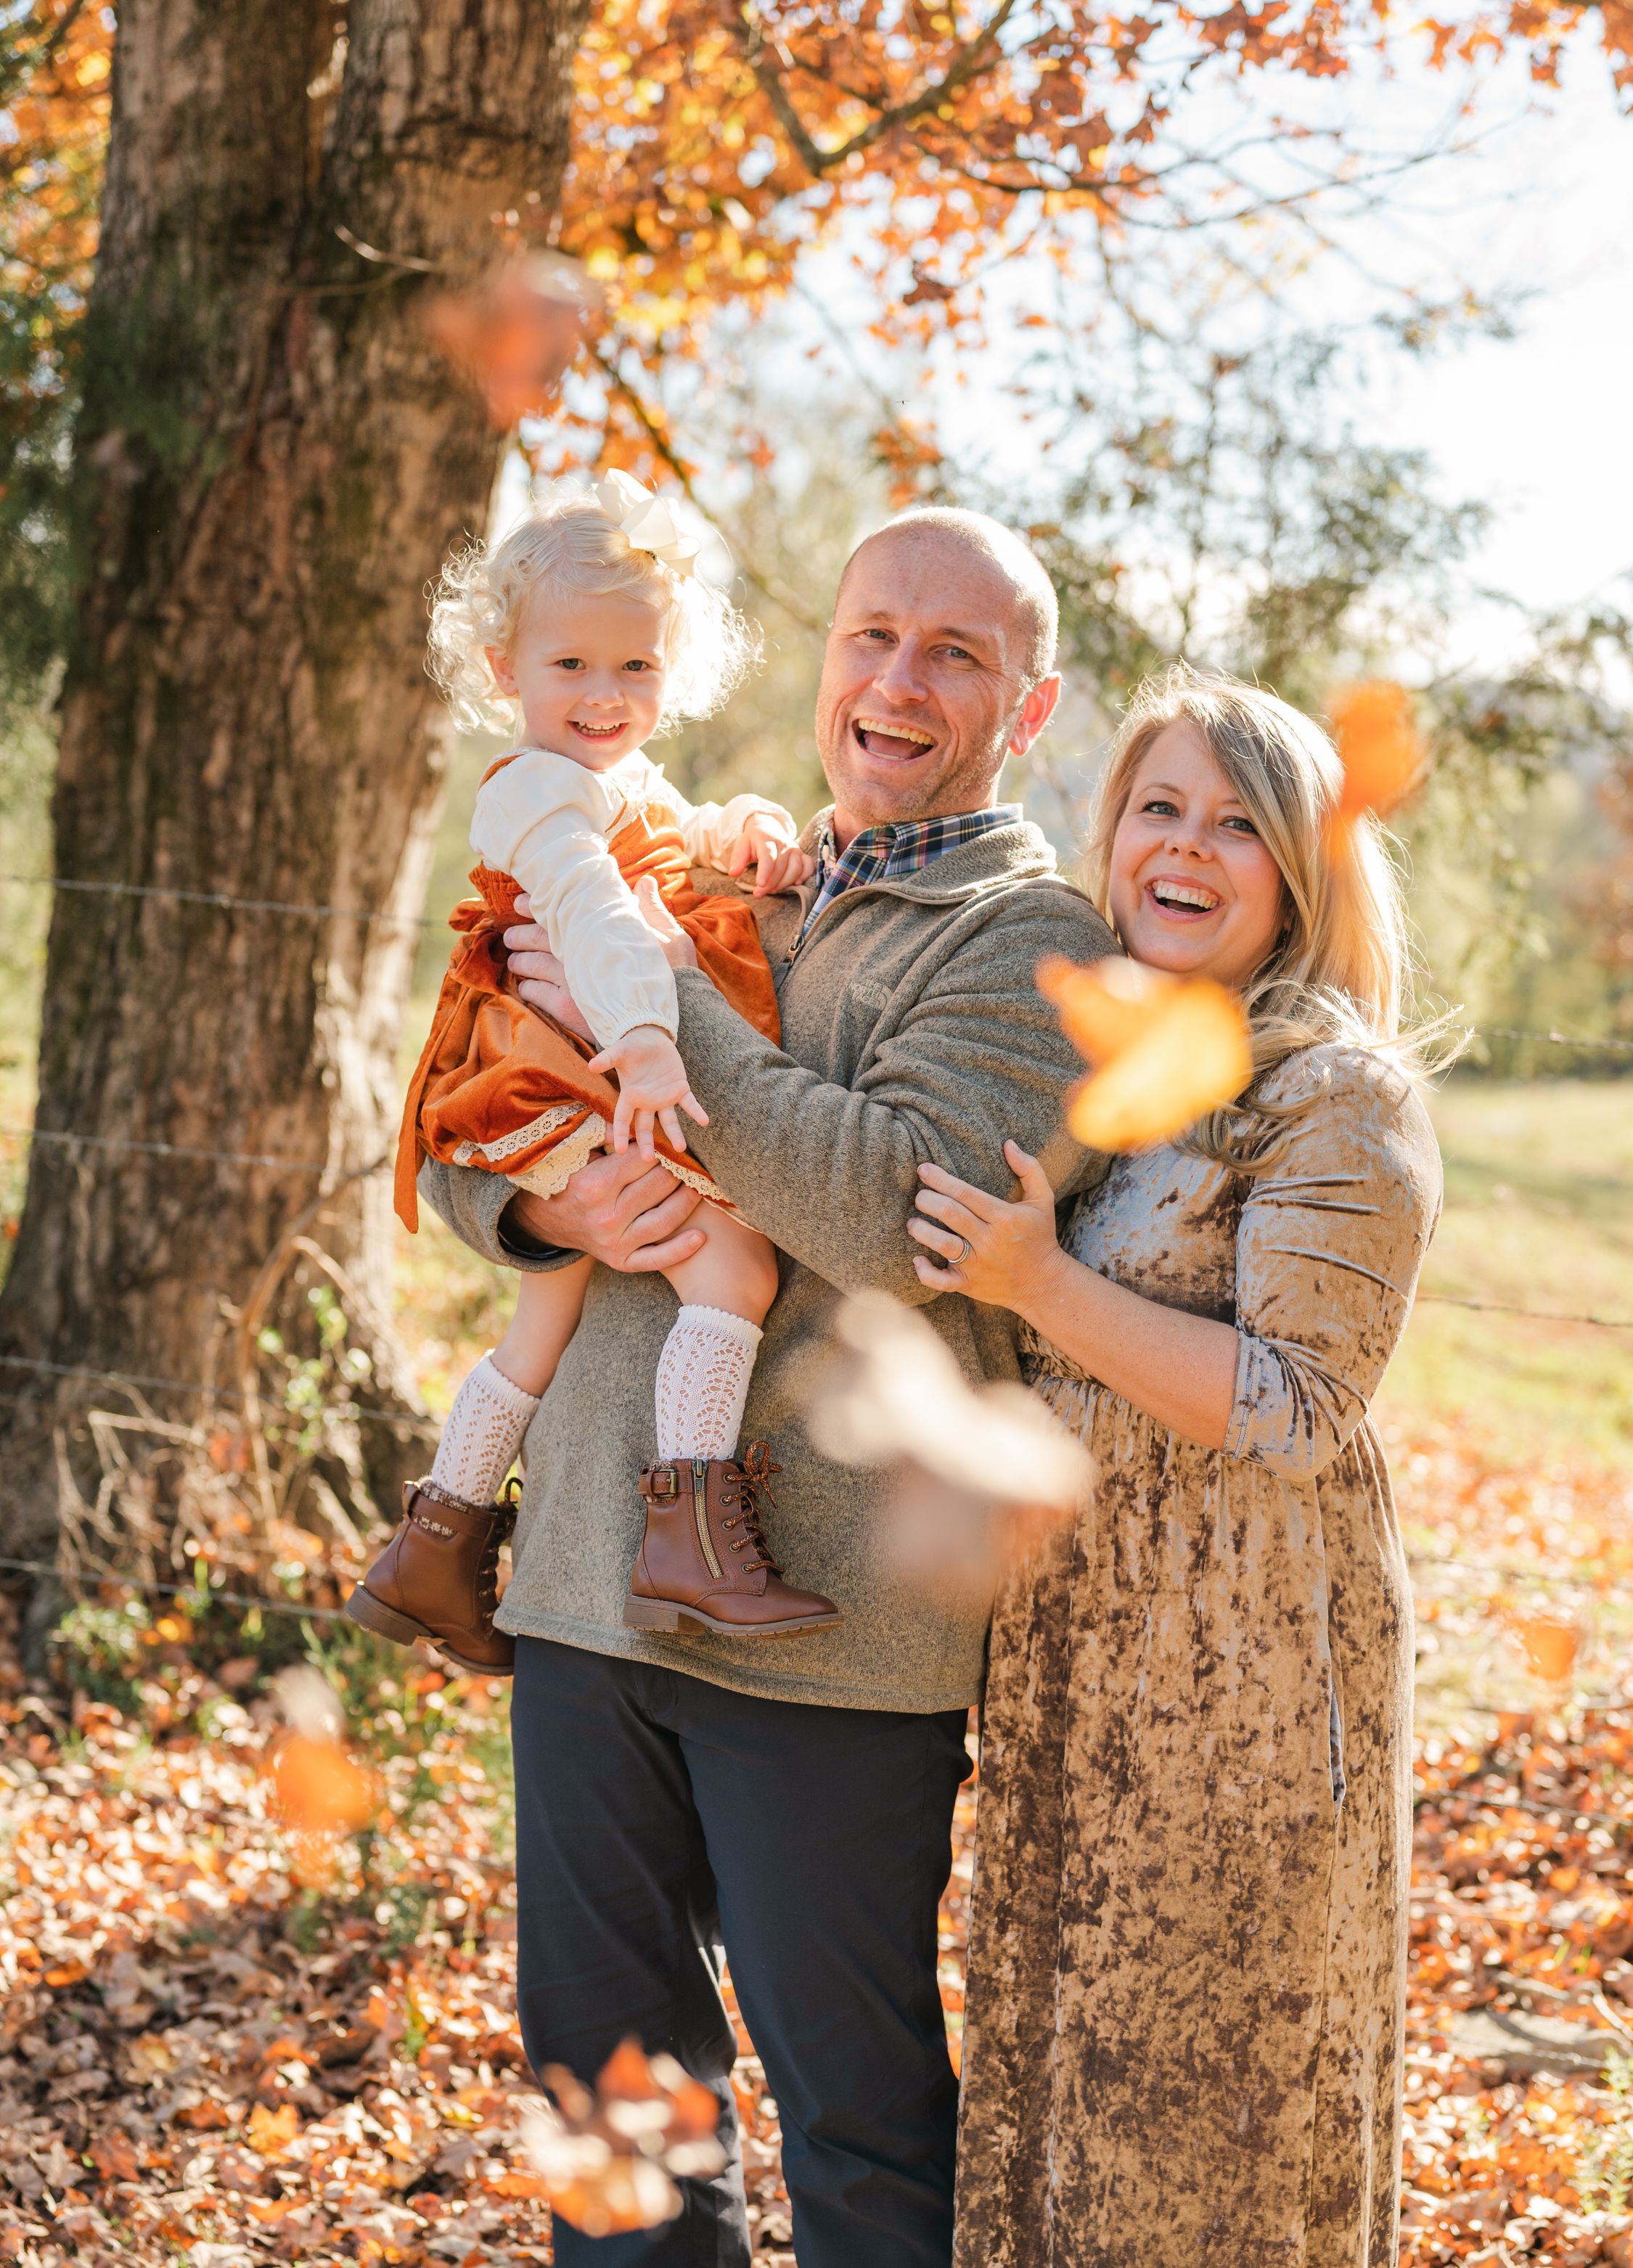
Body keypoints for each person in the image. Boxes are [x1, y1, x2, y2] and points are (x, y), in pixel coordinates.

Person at [418, 507, 1118, 2267]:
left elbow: (895, 1213)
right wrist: (541, 1208)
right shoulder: (702, 854)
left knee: (855, 2112)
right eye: (870, 634)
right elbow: (468, 1103)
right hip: (586, 1578)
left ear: (1026, 709)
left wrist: (662, 1008)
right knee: (611, 2099)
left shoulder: (1032, 941)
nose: (896, 680)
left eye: (953, 654)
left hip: (836, 1625)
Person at [906, 665, 1445, 2268]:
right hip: (1075, 1657)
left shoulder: (1331, 1089)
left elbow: (1298, 1401)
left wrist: (1038, 1285)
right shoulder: (1103, 1075)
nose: (1185, 848)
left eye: (1235, 823)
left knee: (1209, 2116)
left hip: (1245, 1678)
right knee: (1063, 2092)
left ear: (1300, 873)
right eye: (1158, 808)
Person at [356, 473, 837, 1676]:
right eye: (570, 664)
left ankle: (434, 1548)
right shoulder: (536, 790)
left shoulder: (608, 779)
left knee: (545, 1317)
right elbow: (595, 909)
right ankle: (690, 1538)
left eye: (636, 666)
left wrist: (743, 826)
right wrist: (651, 1033)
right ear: (503, 667)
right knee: (736, 1265)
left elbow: (669, 833)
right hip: (569, 1064)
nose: (604, 693)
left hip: (560, 1064)